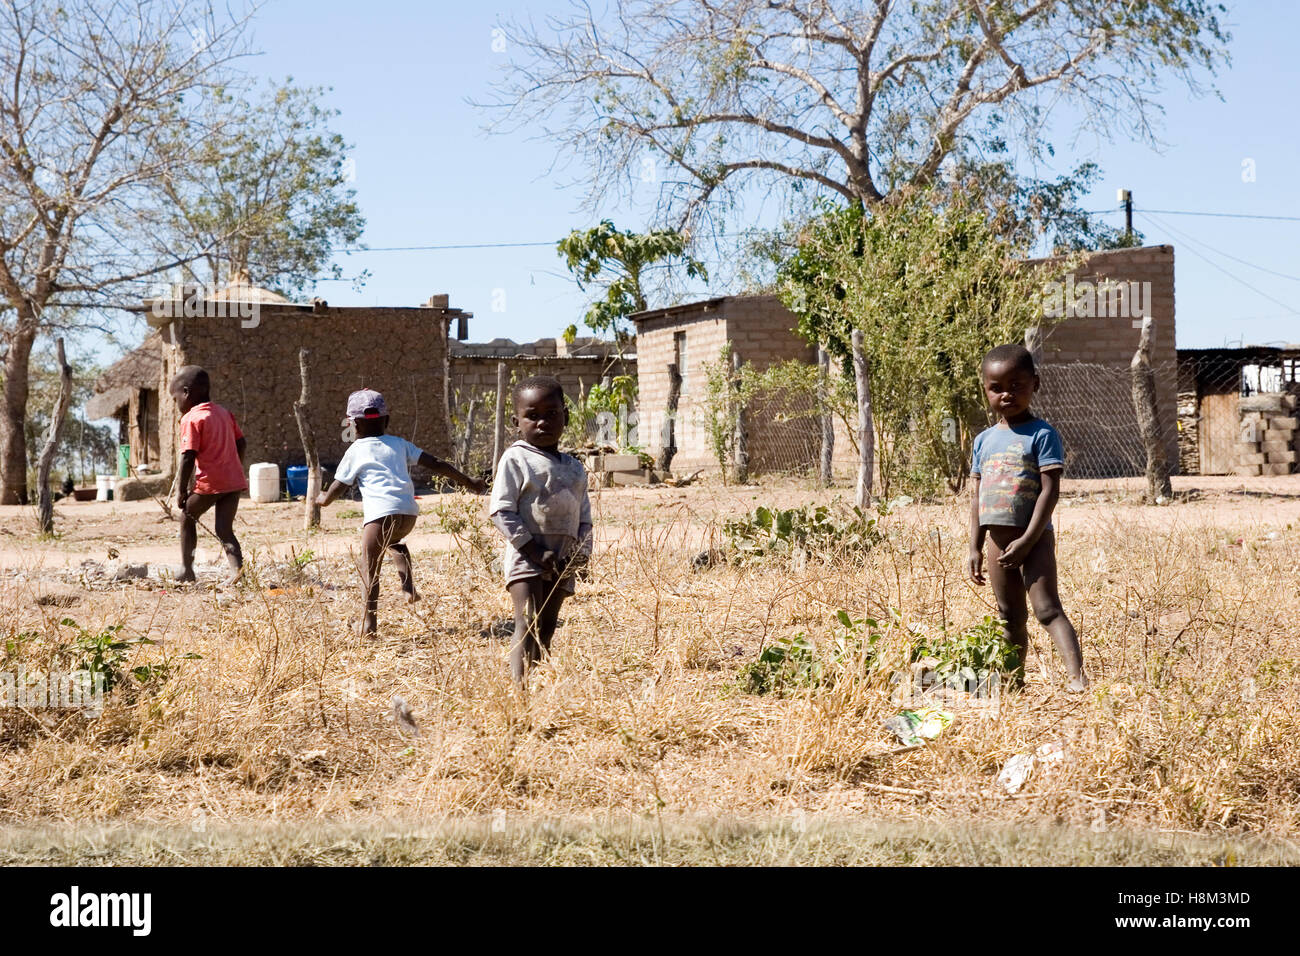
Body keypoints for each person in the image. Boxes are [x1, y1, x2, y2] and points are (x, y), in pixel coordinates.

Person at [966, 344, 1087, 692]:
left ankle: (1077, 679)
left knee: (1047, 610)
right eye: (997, 387)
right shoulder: (983, 441)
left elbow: (1050, 491)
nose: (1007, 394)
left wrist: (1029, 540)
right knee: (1010, 617)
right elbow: (976, 497)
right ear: (985, 389)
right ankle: (1012, 682)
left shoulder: (1042, 435)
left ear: (1036, 383)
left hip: (1033, 540)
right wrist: (974, 546)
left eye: (1017, 385)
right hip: (996, 543)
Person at [316, 388, 486, 636]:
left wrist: (323, 500)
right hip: (408, 515)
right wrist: (470, 483)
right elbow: (437, 464)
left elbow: (338, 487)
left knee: (369, 568)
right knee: (395, 543)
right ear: (387, 420)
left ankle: (368, 624)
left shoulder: (355, 450)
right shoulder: (399, 444)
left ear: (352, 425)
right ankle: (408, 589)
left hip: (380, 516)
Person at [490, 376, 592, 682]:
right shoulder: (516, 458)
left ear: (566, 417)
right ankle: (518, 693)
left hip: (562, 561)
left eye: (552, 414)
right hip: (527, 556)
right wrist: (533, 550)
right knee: (528, 620)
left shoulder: (574, 467)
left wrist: (580, 554)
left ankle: (534, 681)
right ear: (516, 421)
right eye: (532, 416)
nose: (543, 422)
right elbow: (501, 510)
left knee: (547, 625)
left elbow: (584, 516)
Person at [171, 365, 247, 585]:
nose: (177, 405)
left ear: (186, 393)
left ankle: (187, 570)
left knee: (187, 516)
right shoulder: (223, 413)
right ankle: (237, 573)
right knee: (224, 529)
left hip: (210, 483)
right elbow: (241, 442)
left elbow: (187, 457)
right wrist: (234, 467)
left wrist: (181, 490)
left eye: (175, 399)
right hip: (233, 482)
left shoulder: (191, 419)